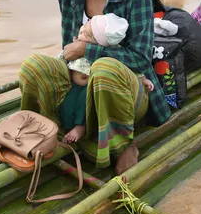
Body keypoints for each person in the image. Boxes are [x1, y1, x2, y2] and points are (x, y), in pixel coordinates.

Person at [19, 0, 170, 175]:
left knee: (104, 68)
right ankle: (47, 127)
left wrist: (86, 51)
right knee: (34, 66)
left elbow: (141, 59)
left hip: (125, 90)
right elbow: (69, 52)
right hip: (83, 83)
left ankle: (123, 145)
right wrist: (69, 63)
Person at [61, 14, 155, 145]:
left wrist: (144, 80)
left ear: (98, 42)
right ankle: (64, 125)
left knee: (84, 105)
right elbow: (64, 56)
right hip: (75, 84)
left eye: (87, 34)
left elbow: (132, 67)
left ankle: (80, 127)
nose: (81, 32)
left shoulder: (108, 52)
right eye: (83, 28)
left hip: (91, 87)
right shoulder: (76, 44)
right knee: (68, 103)